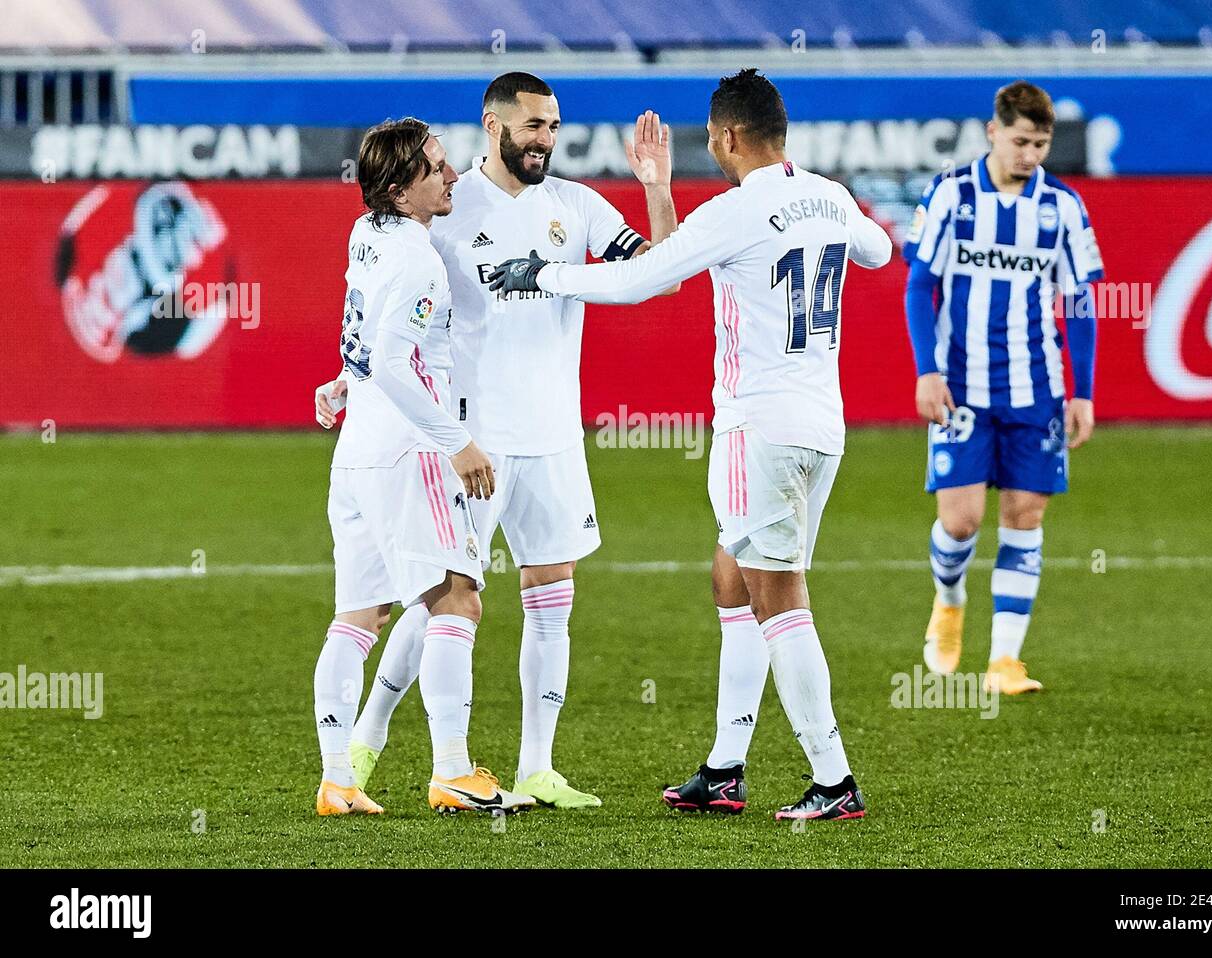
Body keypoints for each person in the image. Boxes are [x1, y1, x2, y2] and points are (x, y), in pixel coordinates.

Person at [490, 69, 892, 821]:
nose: (710, 148)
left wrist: (545, 274)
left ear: (730, 138)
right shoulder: (831, 194)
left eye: (712, 138)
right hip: (823, 428)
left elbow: (640, 279)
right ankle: (724, 766)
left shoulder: (733, 212)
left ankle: (833, 780)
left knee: (779, 598)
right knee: (731, 576)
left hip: (758, 427)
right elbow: (875, 252)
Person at [316, 72, 679, 809]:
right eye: (534, 125)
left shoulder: (575, 204)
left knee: (552, 598)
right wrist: (354, 377)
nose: (546, 137)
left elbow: (660, 276)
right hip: (468, 436)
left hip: (553, 434)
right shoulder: (446, 208)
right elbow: (397, 323)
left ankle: (537, 766)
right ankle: (371, 737)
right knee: (441, 596)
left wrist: (657, 186)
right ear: (494, 125)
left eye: (553, 124)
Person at [313, 116, 533, 816]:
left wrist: (342, 381)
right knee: (457, 596)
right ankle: (452, 771)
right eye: (437, 168)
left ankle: (338, 780)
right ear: (402, 190)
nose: (453, 177)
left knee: (356, 619)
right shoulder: (421, 261)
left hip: (355, 455)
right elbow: (397, 364)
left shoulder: (368, 234)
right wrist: (456, 443)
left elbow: (365, 339)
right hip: (408, 452)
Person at [902, 80, 1102, 694]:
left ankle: (1004, 662)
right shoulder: (951, 194)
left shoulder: (1063, 207)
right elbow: (918, 286)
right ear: (993, 132)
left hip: (1035, 386)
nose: (1030, 154)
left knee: (1025, 514)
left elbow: (1080, 302)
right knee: (960, 523)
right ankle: (949, 599)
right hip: (961, 384)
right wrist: (926, 370)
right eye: (1020, 141)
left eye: (1040, 143)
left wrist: (1082, 391)